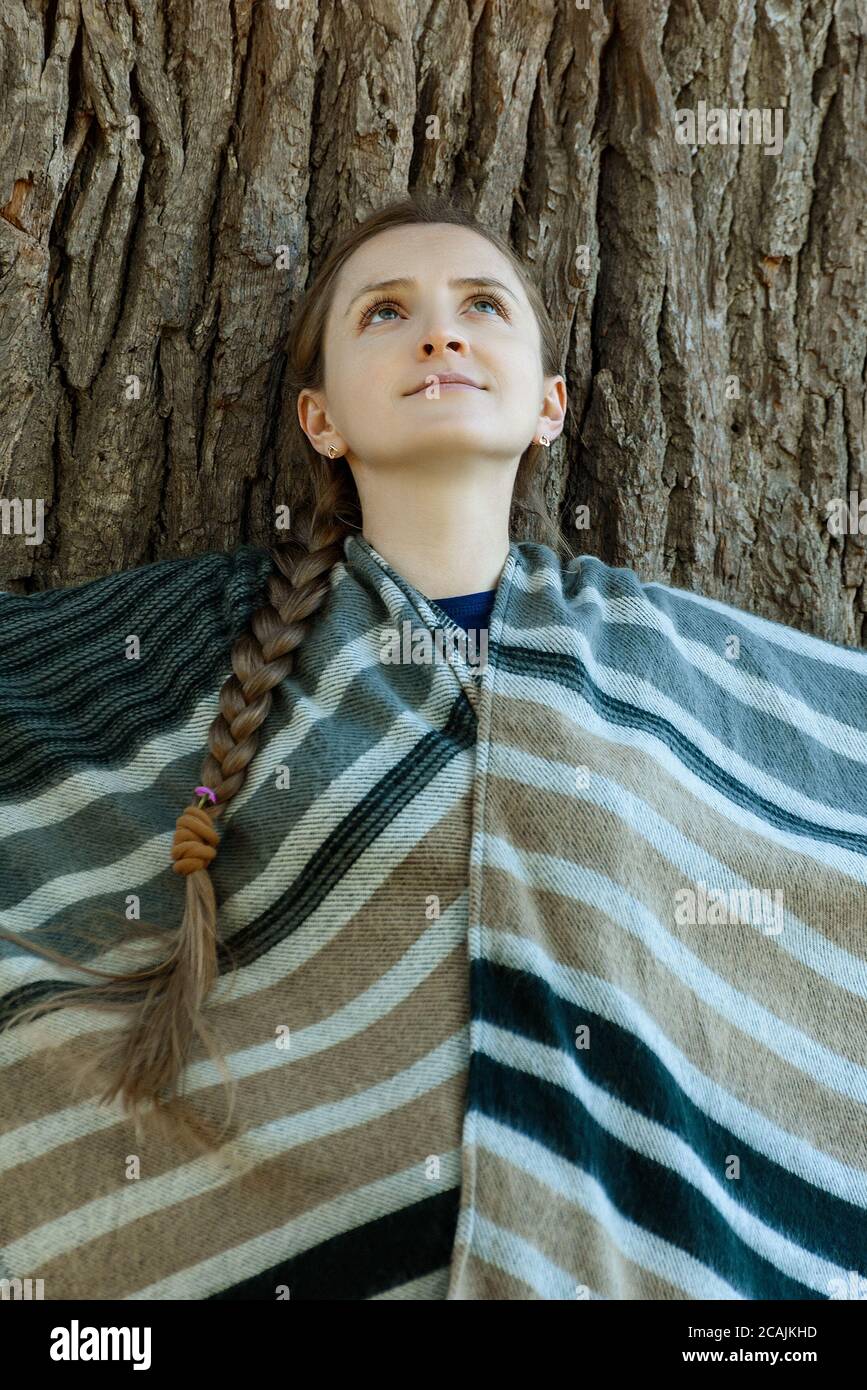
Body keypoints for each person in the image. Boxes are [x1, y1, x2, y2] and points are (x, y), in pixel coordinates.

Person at [1, 193, 865, 1302]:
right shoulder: (188, 652)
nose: (441, 333)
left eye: (482, 306)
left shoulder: (673, 666)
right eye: (385, 313)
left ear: (549, 405)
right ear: (322, 420)